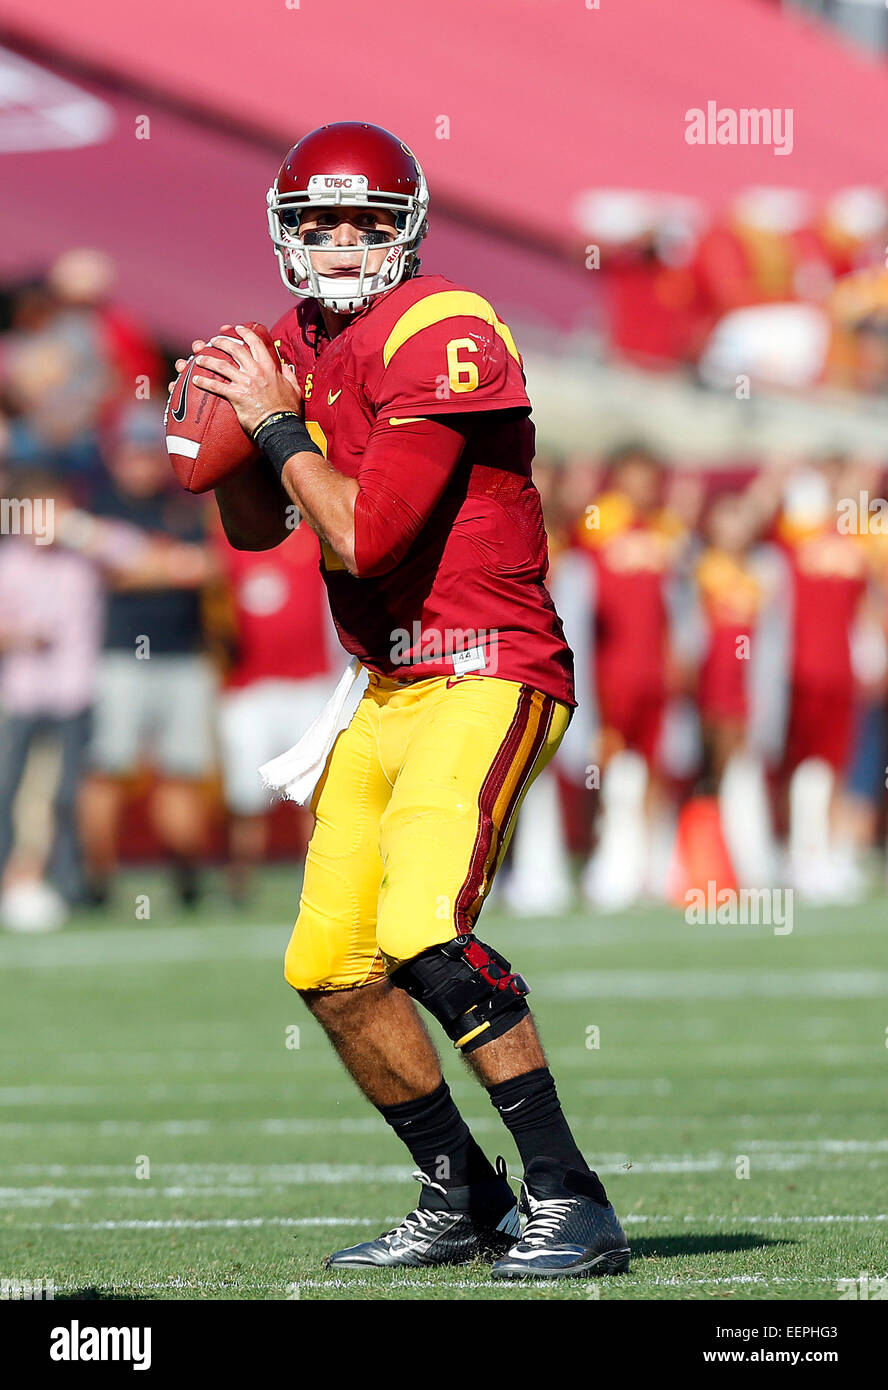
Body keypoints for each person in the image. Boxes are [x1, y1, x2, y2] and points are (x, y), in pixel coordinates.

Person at [173, 121, 630, 1279]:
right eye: (318, 222)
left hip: (490, 664)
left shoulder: (446, 326)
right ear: (285, 233)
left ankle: (571, 1198)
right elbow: (258, 526)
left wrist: (274, 424)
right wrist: (222, 446)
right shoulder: (286, 340)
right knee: (328, 963)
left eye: (365, 222)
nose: (339, 242)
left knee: (424, 924)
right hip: (383, 686)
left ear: (407, 231)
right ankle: (462, 1197)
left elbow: (366, 538)